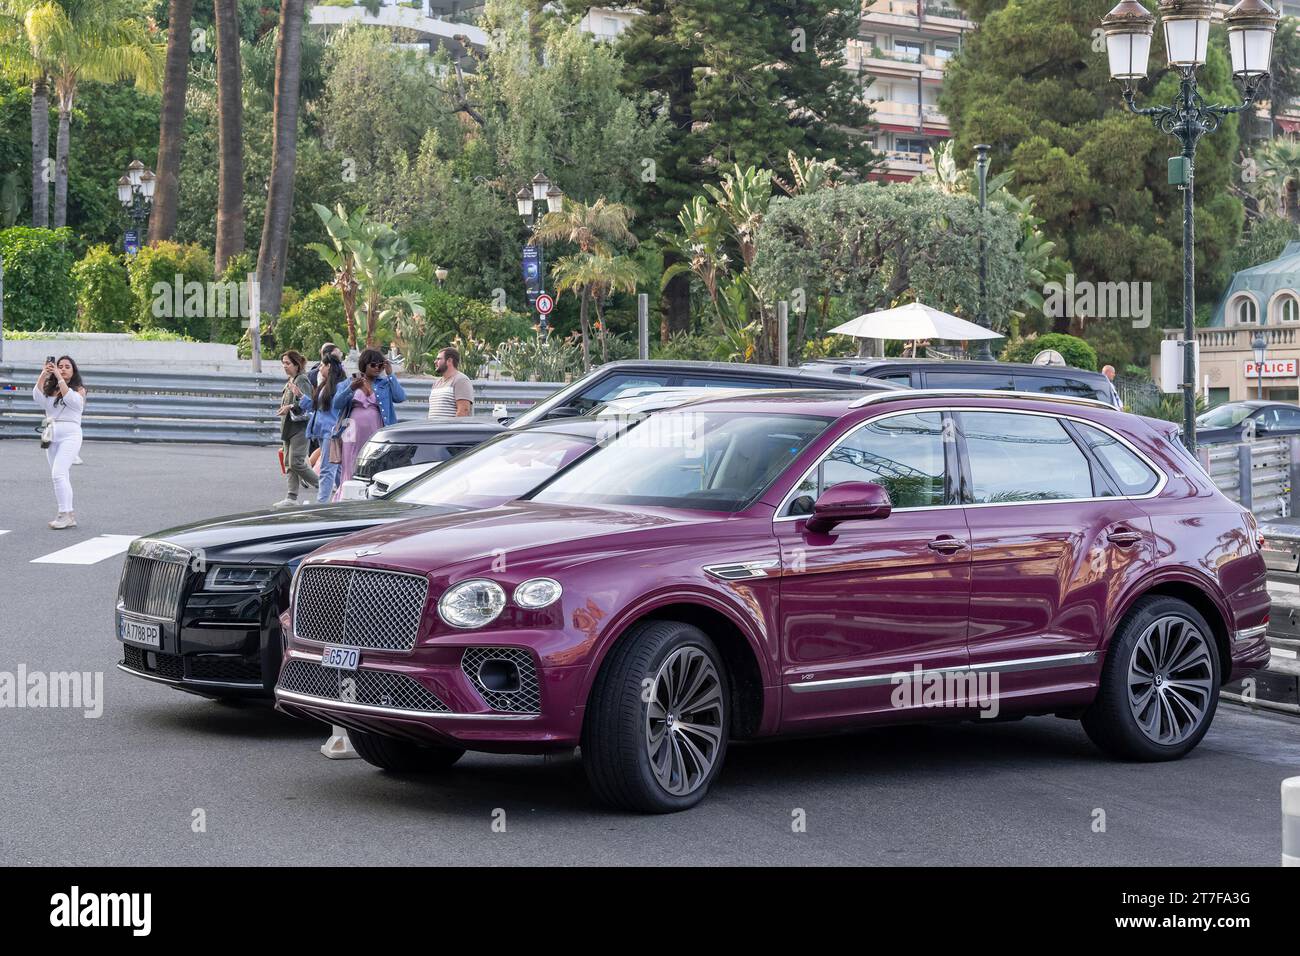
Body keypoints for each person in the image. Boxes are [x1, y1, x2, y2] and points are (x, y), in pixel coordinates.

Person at [330, 348, 407, 500]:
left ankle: (370, 497)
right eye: (373, 364)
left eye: (380, 365)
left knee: (375, 461)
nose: (377, 368)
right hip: (352, 430)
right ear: (364, 364)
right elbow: (336, 404)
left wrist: (391, 374)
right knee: (350, 462)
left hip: (376, 428)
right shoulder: (350, 381)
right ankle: (346, 496)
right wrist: (350, 388)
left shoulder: (384, 383)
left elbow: (400, 397)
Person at [32, 356, 86, 529]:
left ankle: (64, 514)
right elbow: (37, 397)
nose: (62, 369)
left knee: (58, 474)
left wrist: (59, 378)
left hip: (71, 434)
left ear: (73, 370)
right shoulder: (51, 389)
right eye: (59, 366)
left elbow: (72, 402)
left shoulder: (78, 390)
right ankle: (68, 514)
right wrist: (43, 374)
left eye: (67, 367)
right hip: (52, 433)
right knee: (61, 476)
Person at [272, 350, 319, 508]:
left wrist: (290, 407)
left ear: (297, 365)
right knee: (289, 463)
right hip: (289, 428)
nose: (285, 366)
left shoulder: (302, 380)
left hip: (299, 428)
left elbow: (306, 403)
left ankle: (323, 485)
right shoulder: (291, 380)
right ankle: (291, 498)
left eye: (288, 363)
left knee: (296, 462)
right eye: (283, 363)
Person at [304, 345, 348, 502]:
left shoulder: (340, 385)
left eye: (322, 365)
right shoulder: (326, 385)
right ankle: (345, 497)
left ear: (329, 366)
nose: (320, 368)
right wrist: (301, 398)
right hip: (323, 431)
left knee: (327, 469)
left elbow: (337, 406)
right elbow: (318, 407)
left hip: (331, 432)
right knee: (335, 469)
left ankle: (322, 503)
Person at [427, 346, 474, 420]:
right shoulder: (436, 383)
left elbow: (464, 411)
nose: (435, 362)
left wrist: (452, 430)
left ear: (449, 361)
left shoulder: (461, 380)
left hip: (449, 431)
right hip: (434, 430)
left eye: (439, 359)